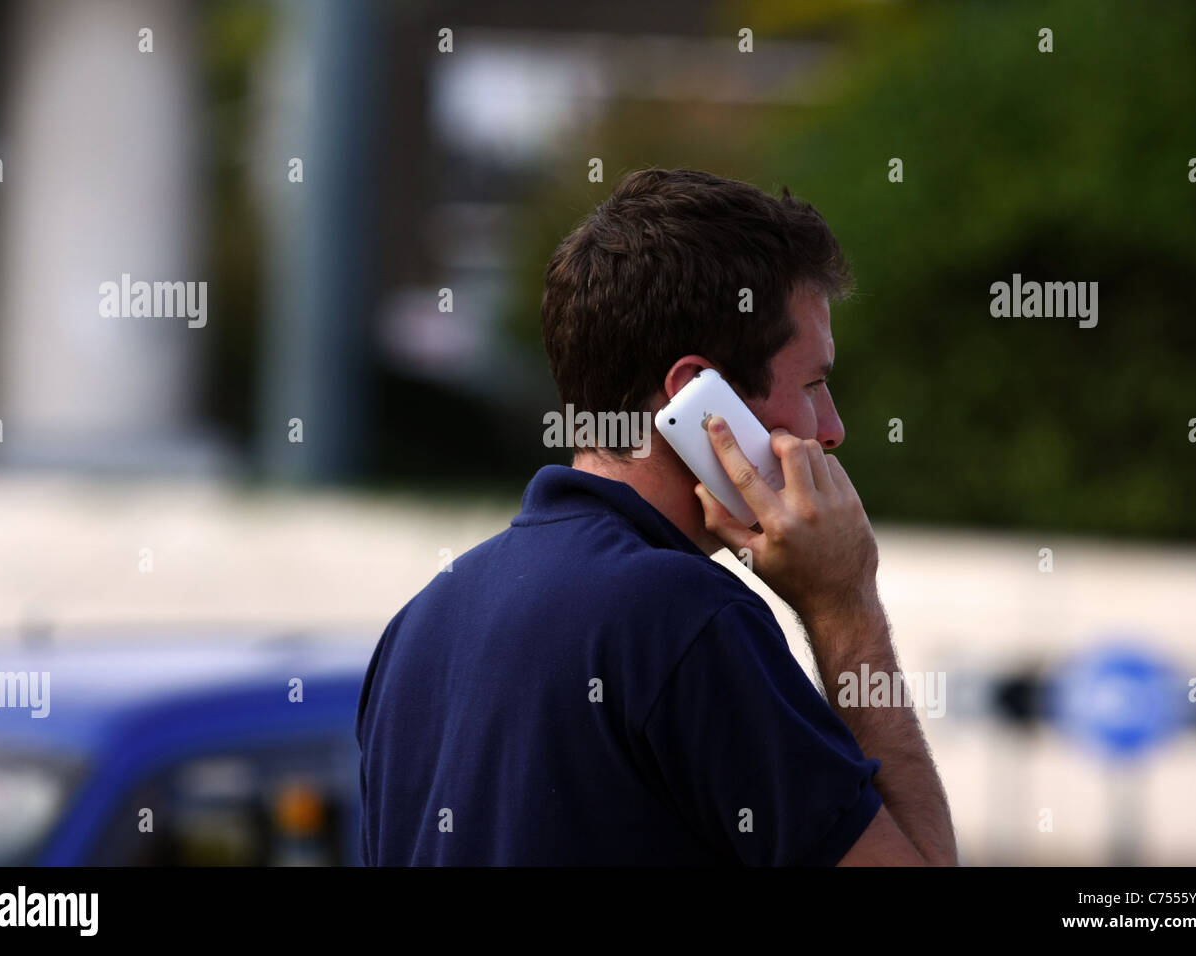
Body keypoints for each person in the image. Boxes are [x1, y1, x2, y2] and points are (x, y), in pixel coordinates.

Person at [356, 167, 958, 865]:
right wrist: (845, 604)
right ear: (699, 400)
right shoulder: (681, 618)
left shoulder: (419, 627)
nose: (832, 429)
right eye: (815, 384)